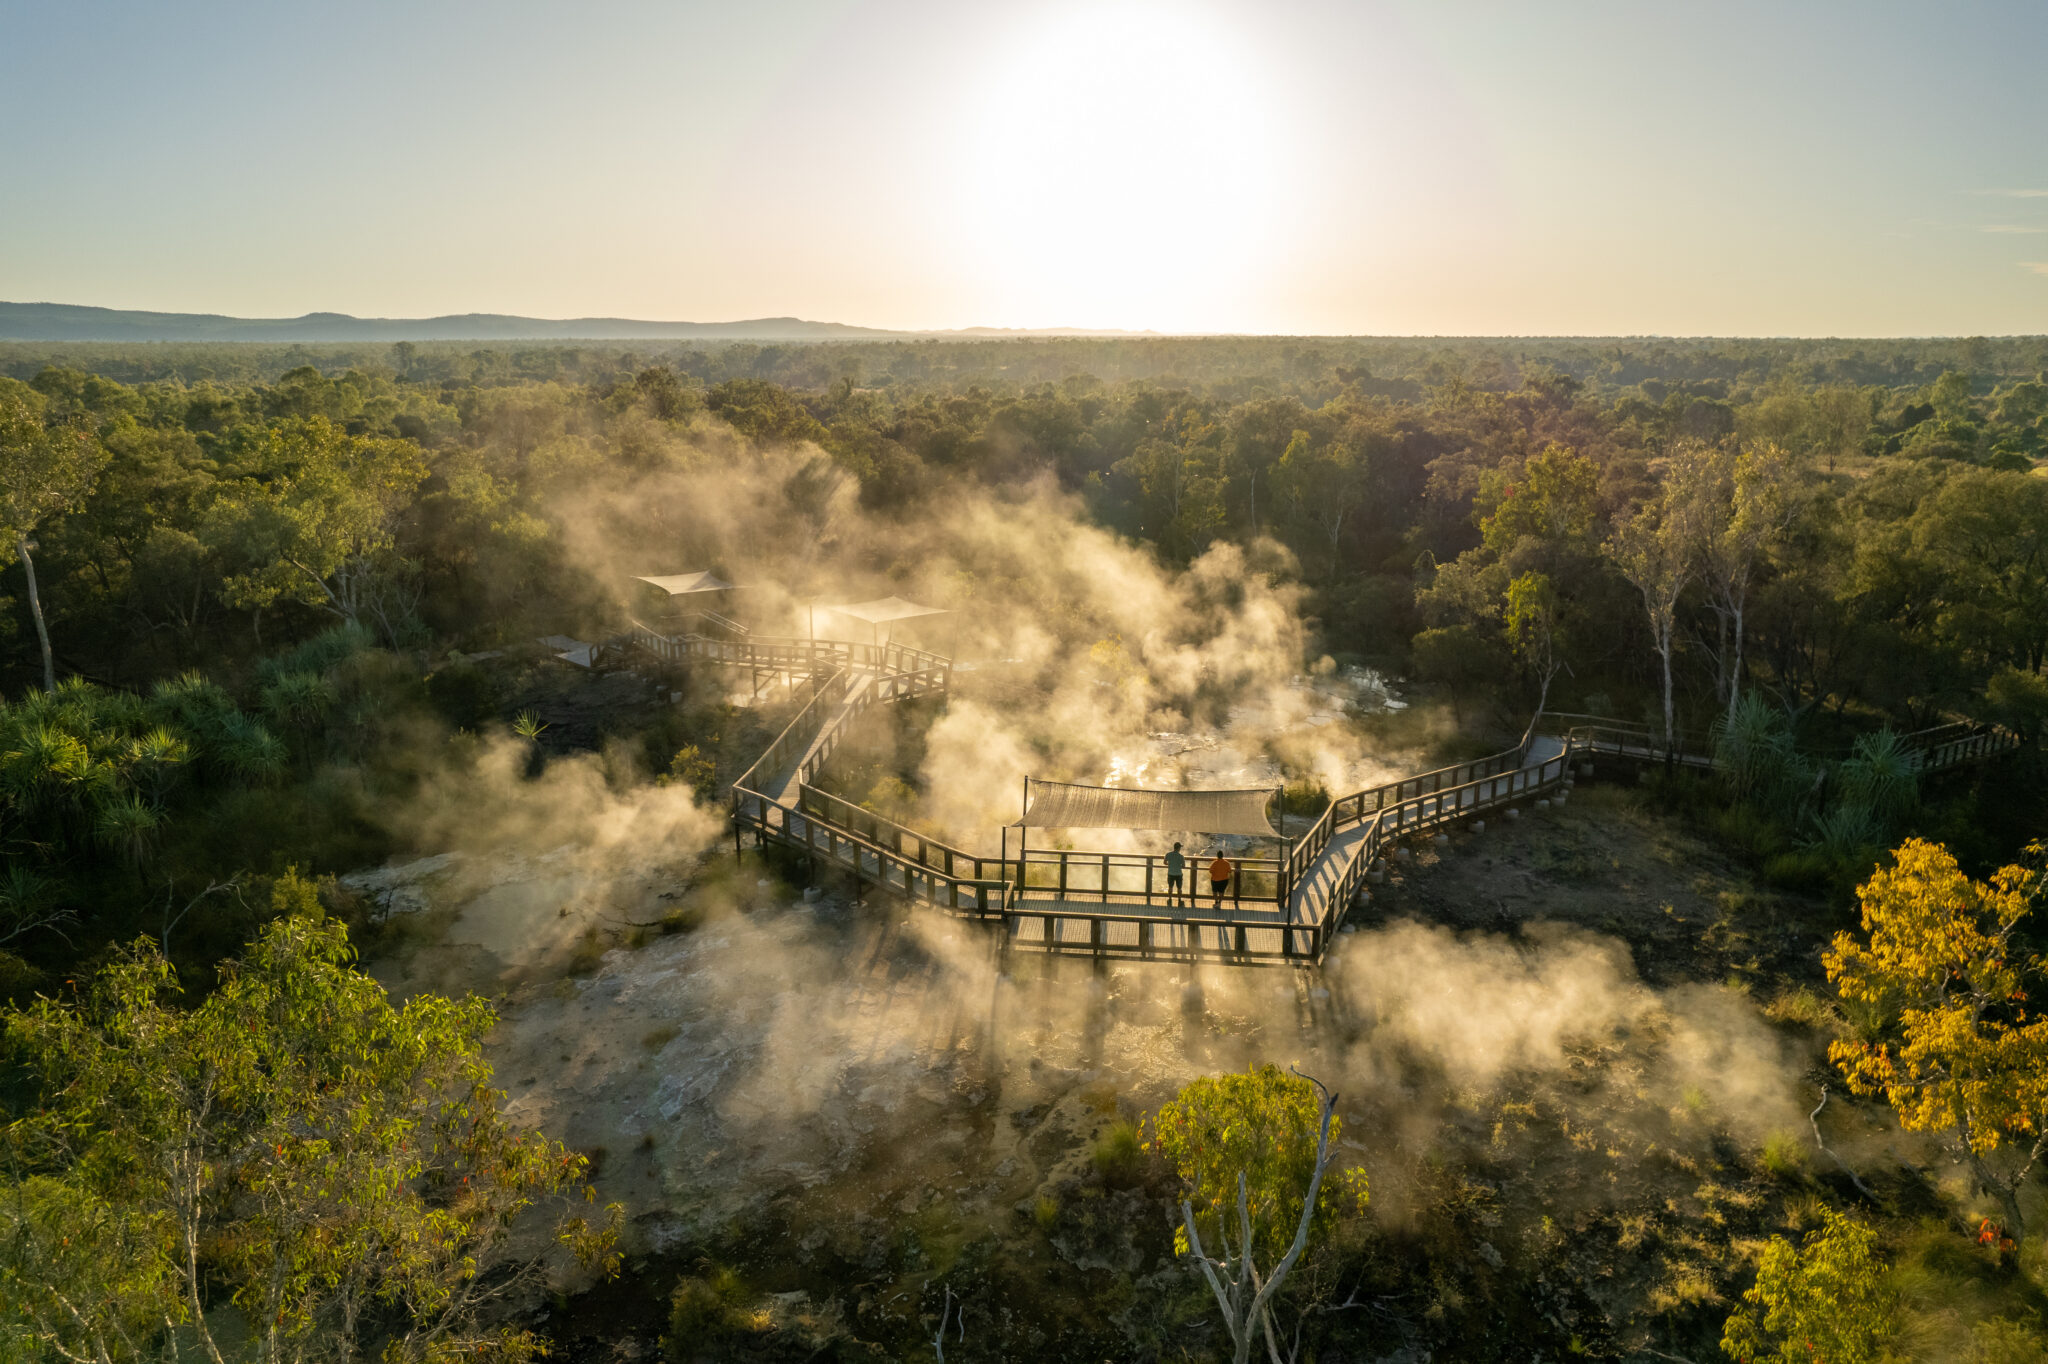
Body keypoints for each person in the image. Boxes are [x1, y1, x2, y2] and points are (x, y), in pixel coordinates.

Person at [1163, 841, 1185, 906]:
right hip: (1178, 874)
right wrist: (1178, 866)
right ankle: (1179, 900)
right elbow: (1183, 866)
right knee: (1179, 888)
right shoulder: (1181, 856)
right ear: (1179, 848)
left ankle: (1169, 899)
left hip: (1170, 873)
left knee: (1170, 887)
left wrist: (1170, 865)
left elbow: (1164, 862)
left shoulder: (1168, 854)